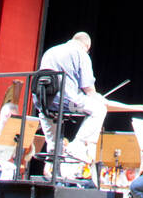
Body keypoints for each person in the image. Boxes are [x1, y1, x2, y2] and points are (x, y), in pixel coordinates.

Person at [38, 31, 107, 165]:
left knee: (46, 112)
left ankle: (53, 149)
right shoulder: (81, 54)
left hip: (44, 101)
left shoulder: (51, 51)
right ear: (86, 46)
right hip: (67, 103)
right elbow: (89, 89)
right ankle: (77, 147)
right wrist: (98, 98)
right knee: (99, 109)